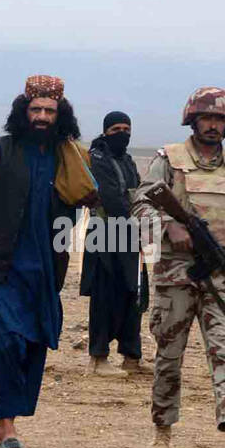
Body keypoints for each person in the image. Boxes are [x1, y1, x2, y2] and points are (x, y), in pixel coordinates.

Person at [132, 87, 225, 448]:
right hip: (175, 278)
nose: (213, 125)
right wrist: (166, 226)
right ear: (192, 120)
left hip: (222, 279)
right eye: (207, 118)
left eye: (220, 120)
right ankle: (162, 432)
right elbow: (139, 204)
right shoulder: (169, 160)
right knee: (169, 357)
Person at [0, 75, 97, 448]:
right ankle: (6, 426)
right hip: (0, 269)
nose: (41, 116)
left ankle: (14, 413)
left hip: (44, 271)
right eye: (35, 109)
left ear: (61, 115)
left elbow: (76, 208)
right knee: (7, 340)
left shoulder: (67, 157)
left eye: (49, 111)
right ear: (23, 112)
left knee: (35, 342)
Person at [80, 110, 147, 377]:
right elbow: (110, 197)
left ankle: (132, 357)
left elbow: (139, 193)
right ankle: (98, 359)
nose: (123, 134)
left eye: (127, 129)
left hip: (130, 235)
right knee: (104, 294)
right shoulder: (97, 159)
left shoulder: (128, 161)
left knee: (134, 293)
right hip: (104, 234)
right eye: (116, 129)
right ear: (106, 131)